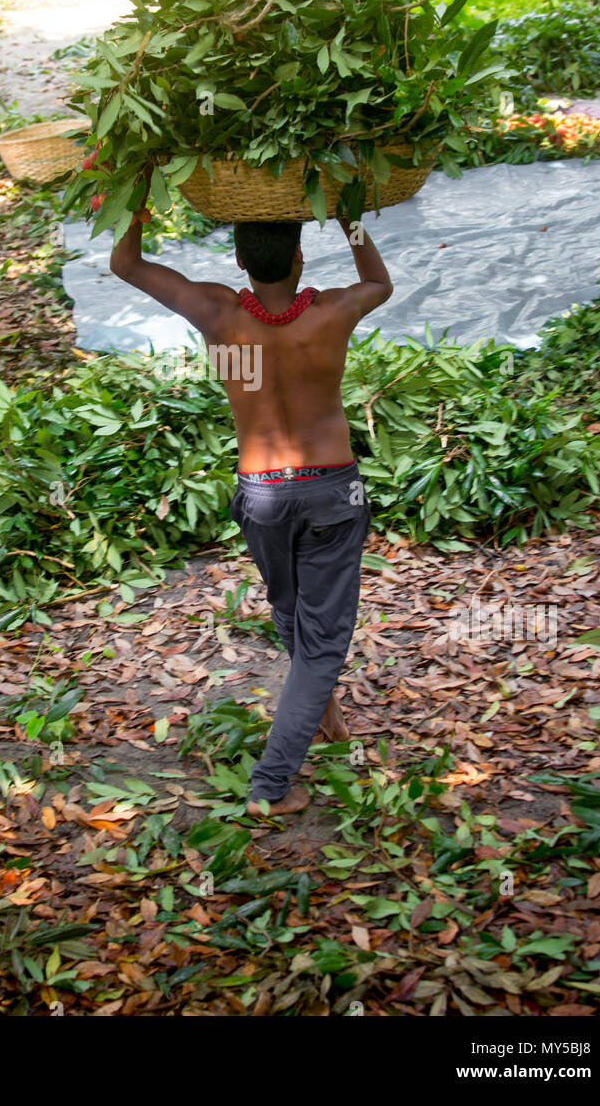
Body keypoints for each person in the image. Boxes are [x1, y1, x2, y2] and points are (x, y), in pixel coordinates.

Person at [109, 194, 393, 816]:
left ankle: (326, 716)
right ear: (298, 253)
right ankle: (271, 784)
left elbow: (126, 264)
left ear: (237, 257)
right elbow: (379, 281)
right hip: (330, 490)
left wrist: (138, 193)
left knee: (293, 611)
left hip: (263, 494)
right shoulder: (332, 312)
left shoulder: (215, 310)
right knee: (321, 642)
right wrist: (347, 216)